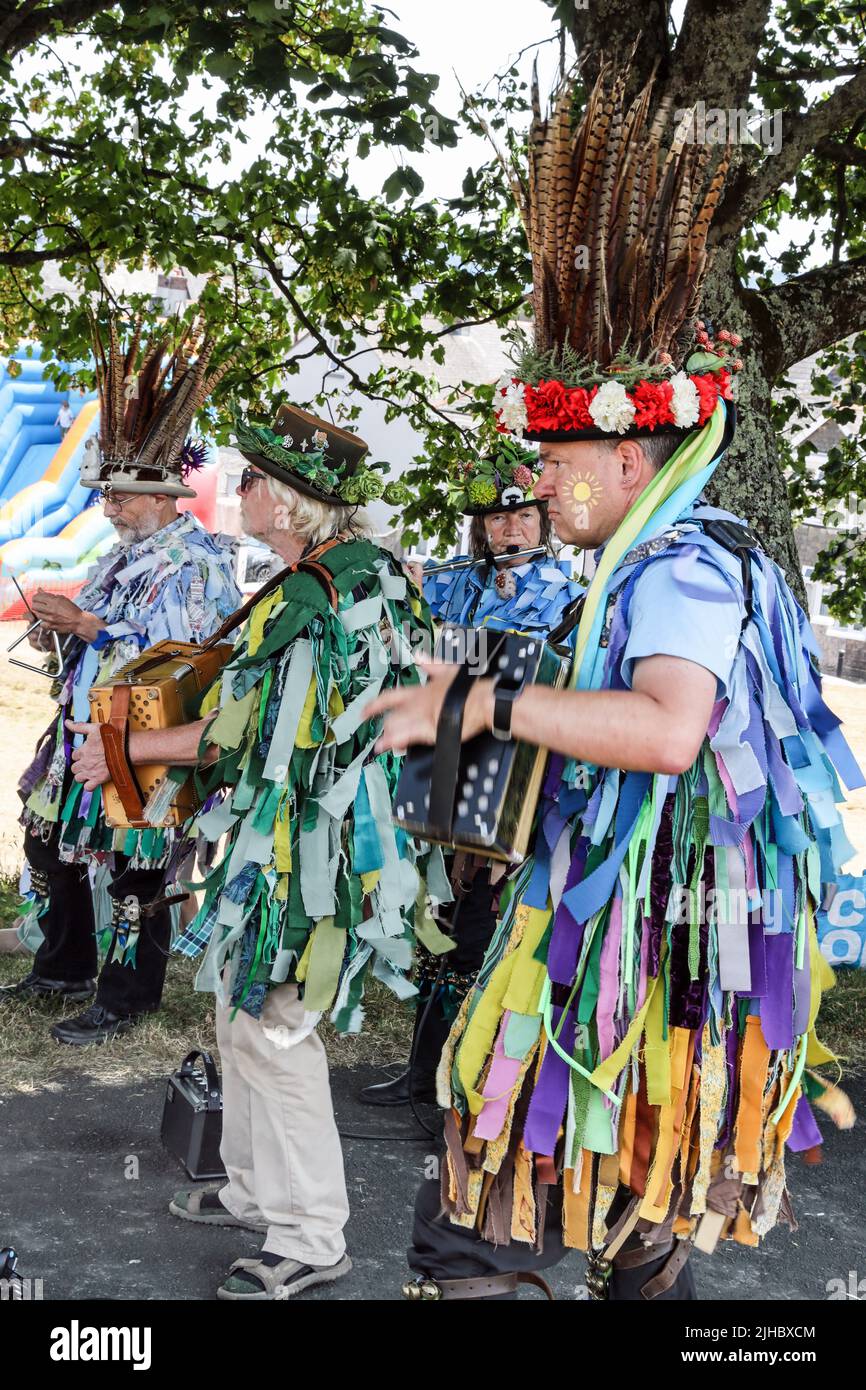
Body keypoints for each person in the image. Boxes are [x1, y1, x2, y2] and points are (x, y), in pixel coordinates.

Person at [365, 64, 862, 1301]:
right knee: (636, 1206)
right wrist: (472, 679)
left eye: (556, 459)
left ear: (627, 452)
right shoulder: (670, 558)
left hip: (637, 950)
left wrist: (476, 708)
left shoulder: (679, 562)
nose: (538, 484)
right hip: (671, 948)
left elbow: (667, 730)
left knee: (491, 1204)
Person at [67, 403, 441, 1300]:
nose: (240, 491)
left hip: (310, 847)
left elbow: (246, 733)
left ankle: (312, 1236)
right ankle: (252, 1189)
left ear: (300, 503)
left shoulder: (316, 594)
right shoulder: (364, 573)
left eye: (258, 479)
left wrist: (124, 748)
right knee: (245, 1015)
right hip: (307, 835)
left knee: (275, 1031)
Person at [1, 317, 241, 1046]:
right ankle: (64, 963)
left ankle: (128, 997)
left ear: (167, 496)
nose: (108, 509)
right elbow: (103, 630)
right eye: (106, 496)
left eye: (121, 497)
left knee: (139, 871)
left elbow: (188, 660)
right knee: (47, 840)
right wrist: (60, 630)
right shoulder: (124, 551)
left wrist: (87, 627)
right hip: (84, 732)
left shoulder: (196, 563)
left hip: (144, 740)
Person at [361, 440, 583, 1108]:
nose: (510, 528)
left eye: (523, 515)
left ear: (544, 520)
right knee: (440, 924)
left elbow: (557, 694)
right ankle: (421, 1070)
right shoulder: (457, 581)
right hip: (446, 765)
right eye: (496, 518)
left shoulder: (571, 598)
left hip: (517, 780)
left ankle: (457, 1081)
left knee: (480, 932)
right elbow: (416, 645)